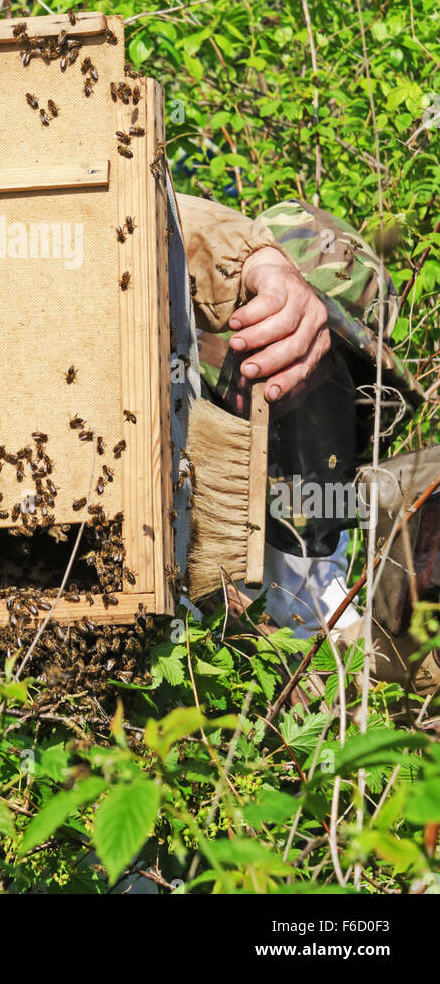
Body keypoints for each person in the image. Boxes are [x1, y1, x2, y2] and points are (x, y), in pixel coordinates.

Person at [176, 190, 440, 698]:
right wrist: (255, 260)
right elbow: (144, 207)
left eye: (329, 374)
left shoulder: (315, 507)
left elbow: (330, 629)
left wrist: (410, 641)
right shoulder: (159, 435)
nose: (305, 390)